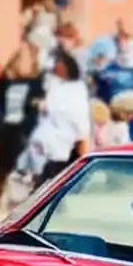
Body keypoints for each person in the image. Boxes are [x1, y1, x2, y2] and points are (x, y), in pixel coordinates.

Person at [0, 45, 45, 211]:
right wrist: (14, 59)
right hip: (6, 128)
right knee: (2, 168)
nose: (22, 65)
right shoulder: (7, 83)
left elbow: (41, 79)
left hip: (23, 129)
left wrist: (35, 57)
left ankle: (28, 203)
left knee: (24, 167)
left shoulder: (35, 83)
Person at [30, 49, 90, 186]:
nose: (57, 68)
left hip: (64, 143)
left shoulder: (77, 88)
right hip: (44, 141)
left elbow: (79, 118)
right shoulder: (54, 84)